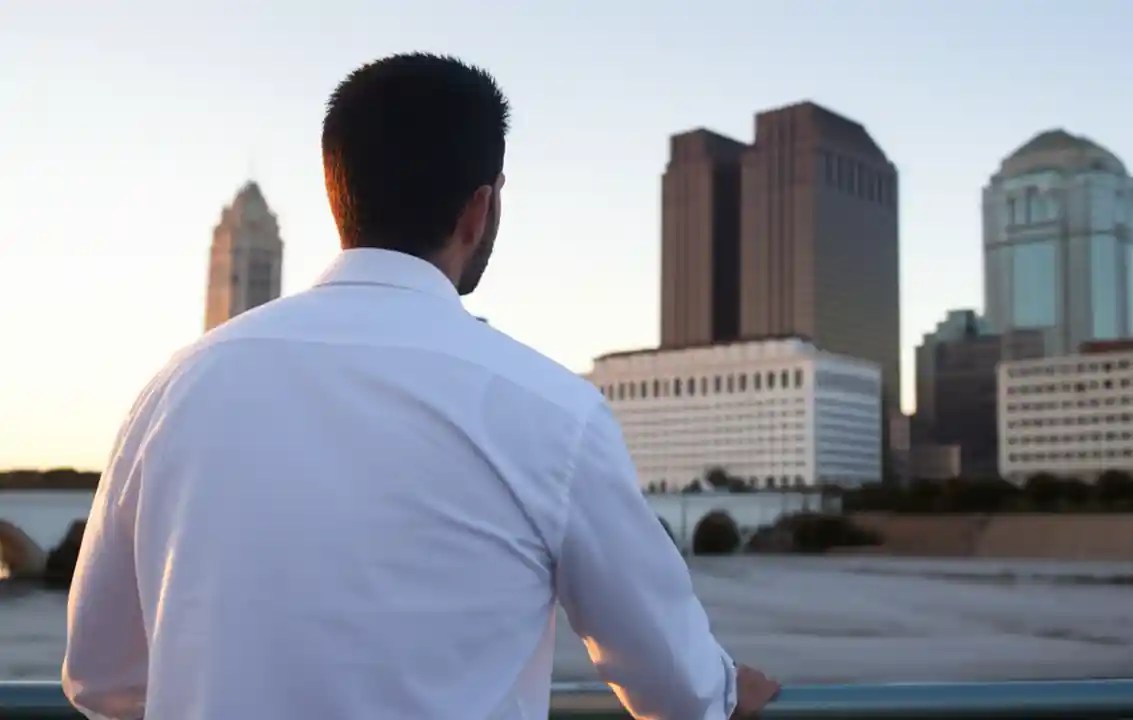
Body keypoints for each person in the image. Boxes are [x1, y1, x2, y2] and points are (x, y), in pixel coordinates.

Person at [62, 53, 779, 720]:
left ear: (339, 195)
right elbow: (675, 687)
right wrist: (723, 689)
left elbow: (100, 678)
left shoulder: (176, 389)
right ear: (479, 209)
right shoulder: (553, 411)